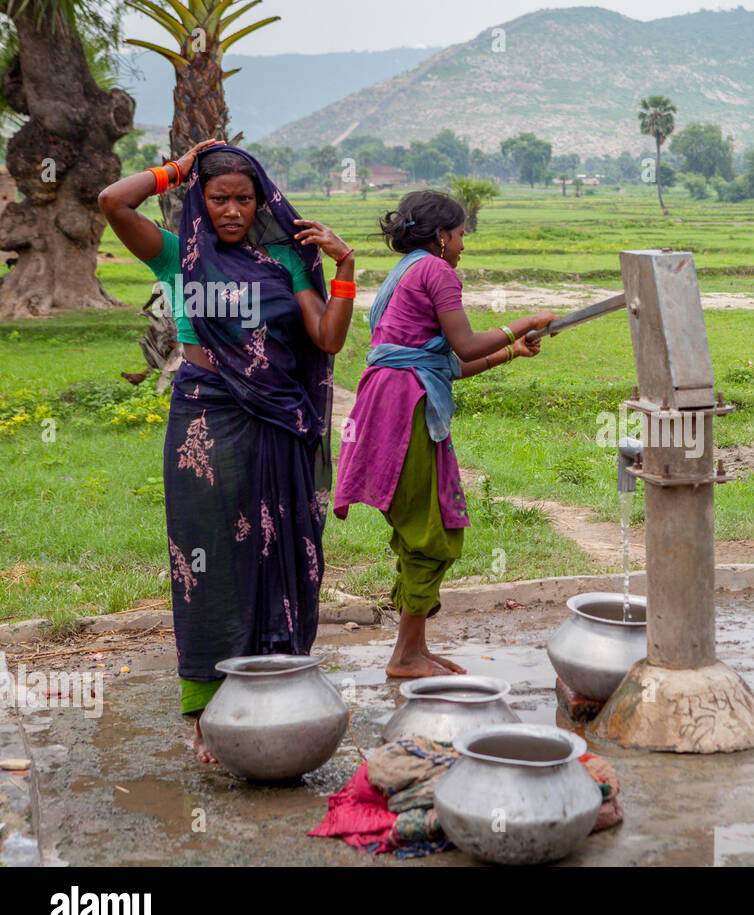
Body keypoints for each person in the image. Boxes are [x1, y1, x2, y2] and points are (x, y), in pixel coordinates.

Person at [98, 142, 356, 763]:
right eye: (219, 199)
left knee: (281, 553)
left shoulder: (285, 262)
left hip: (276, 422)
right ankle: (204, 712)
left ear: (260, 198)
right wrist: (179, 167)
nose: (233, 210)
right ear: (199, 199)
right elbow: (112, 200)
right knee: (206, 561)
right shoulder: (176, 256)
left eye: (244, 198)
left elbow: (327, 337)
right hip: (205, 419)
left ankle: (278, 688)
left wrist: (343, 264)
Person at [333, 190, 555, 678]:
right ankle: (406, 656)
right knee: (433, 530)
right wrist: (526, 320)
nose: (462, 246)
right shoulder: (436, 270)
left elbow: (446, 362)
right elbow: (466, 343)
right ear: (441, 235)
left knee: (420, 520)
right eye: (460, 235)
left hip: (391, 401)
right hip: (406, 407)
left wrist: (512, 351)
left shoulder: (404, 272)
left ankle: (414, 647)